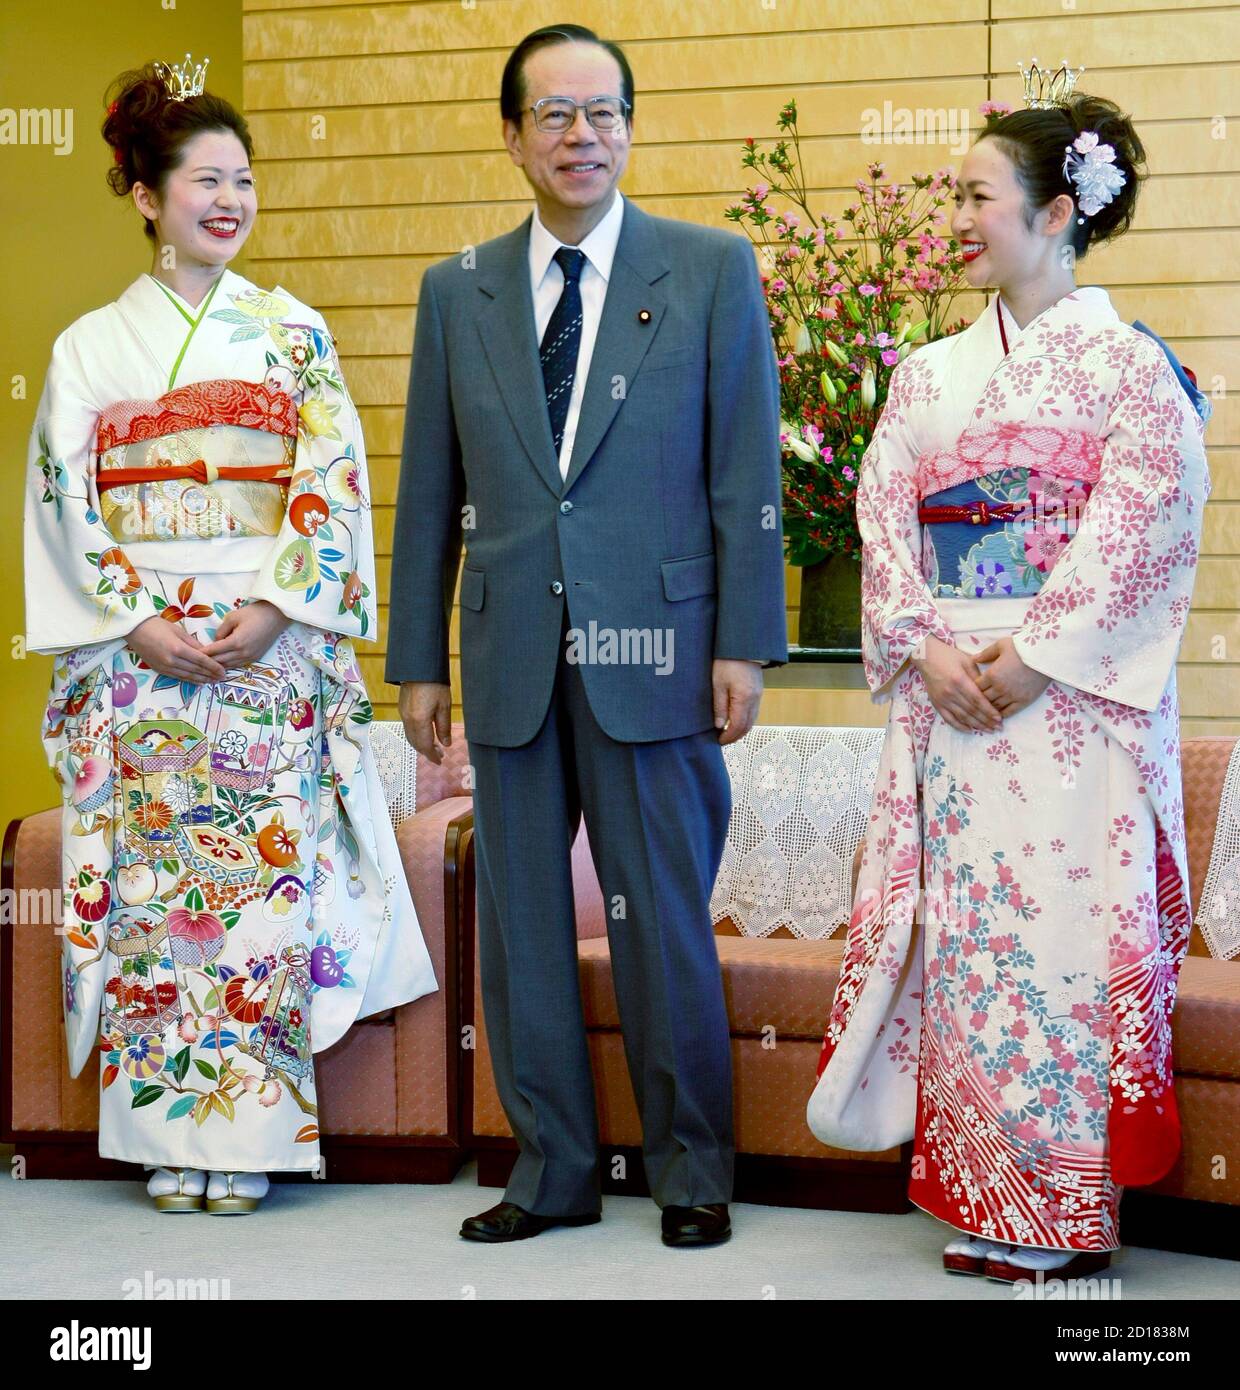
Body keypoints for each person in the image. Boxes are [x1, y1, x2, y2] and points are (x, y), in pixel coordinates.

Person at [386, 24, 787, 1246]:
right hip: (506, 653)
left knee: (657, 914)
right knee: (517, 925)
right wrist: (414, 659)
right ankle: (549, 1168)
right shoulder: (457, 290)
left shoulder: (710, 269)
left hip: (658, 650)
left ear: (630, 124)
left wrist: (742, 641)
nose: (581, 135)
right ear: (511, 136)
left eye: (602, 112)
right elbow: (425, 488)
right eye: (553, 115)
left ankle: (690, 1171)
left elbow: (742, 471)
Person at [805, 77, 1210, 1281]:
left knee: (1064, 948)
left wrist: (1034, 656)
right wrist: (926, 644)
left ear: (1052, 212)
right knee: (971, 945)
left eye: (978, 195)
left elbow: (1147, 518)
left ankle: (1064, 1218)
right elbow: (885, 518)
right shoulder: (927, 375)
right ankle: (984, 1196)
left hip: (1069, 710)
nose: (959, 216)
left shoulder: (1132, 369)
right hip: (954, 702)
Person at [23, 57, 436, 1214]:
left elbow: (331, 480)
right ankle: (164, 1135)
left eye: (243, 181)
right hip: (147, 664)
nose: (229, 202)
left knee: (260, 894)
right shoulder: (88, 349)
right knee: (161, 901)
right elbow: (64, 495)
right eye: (204, 180)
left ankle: (250, 1140)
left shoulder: (291, 333)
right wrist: (133, 620)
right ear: (147, 196)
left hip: (262, 656)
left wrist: (278, 606)